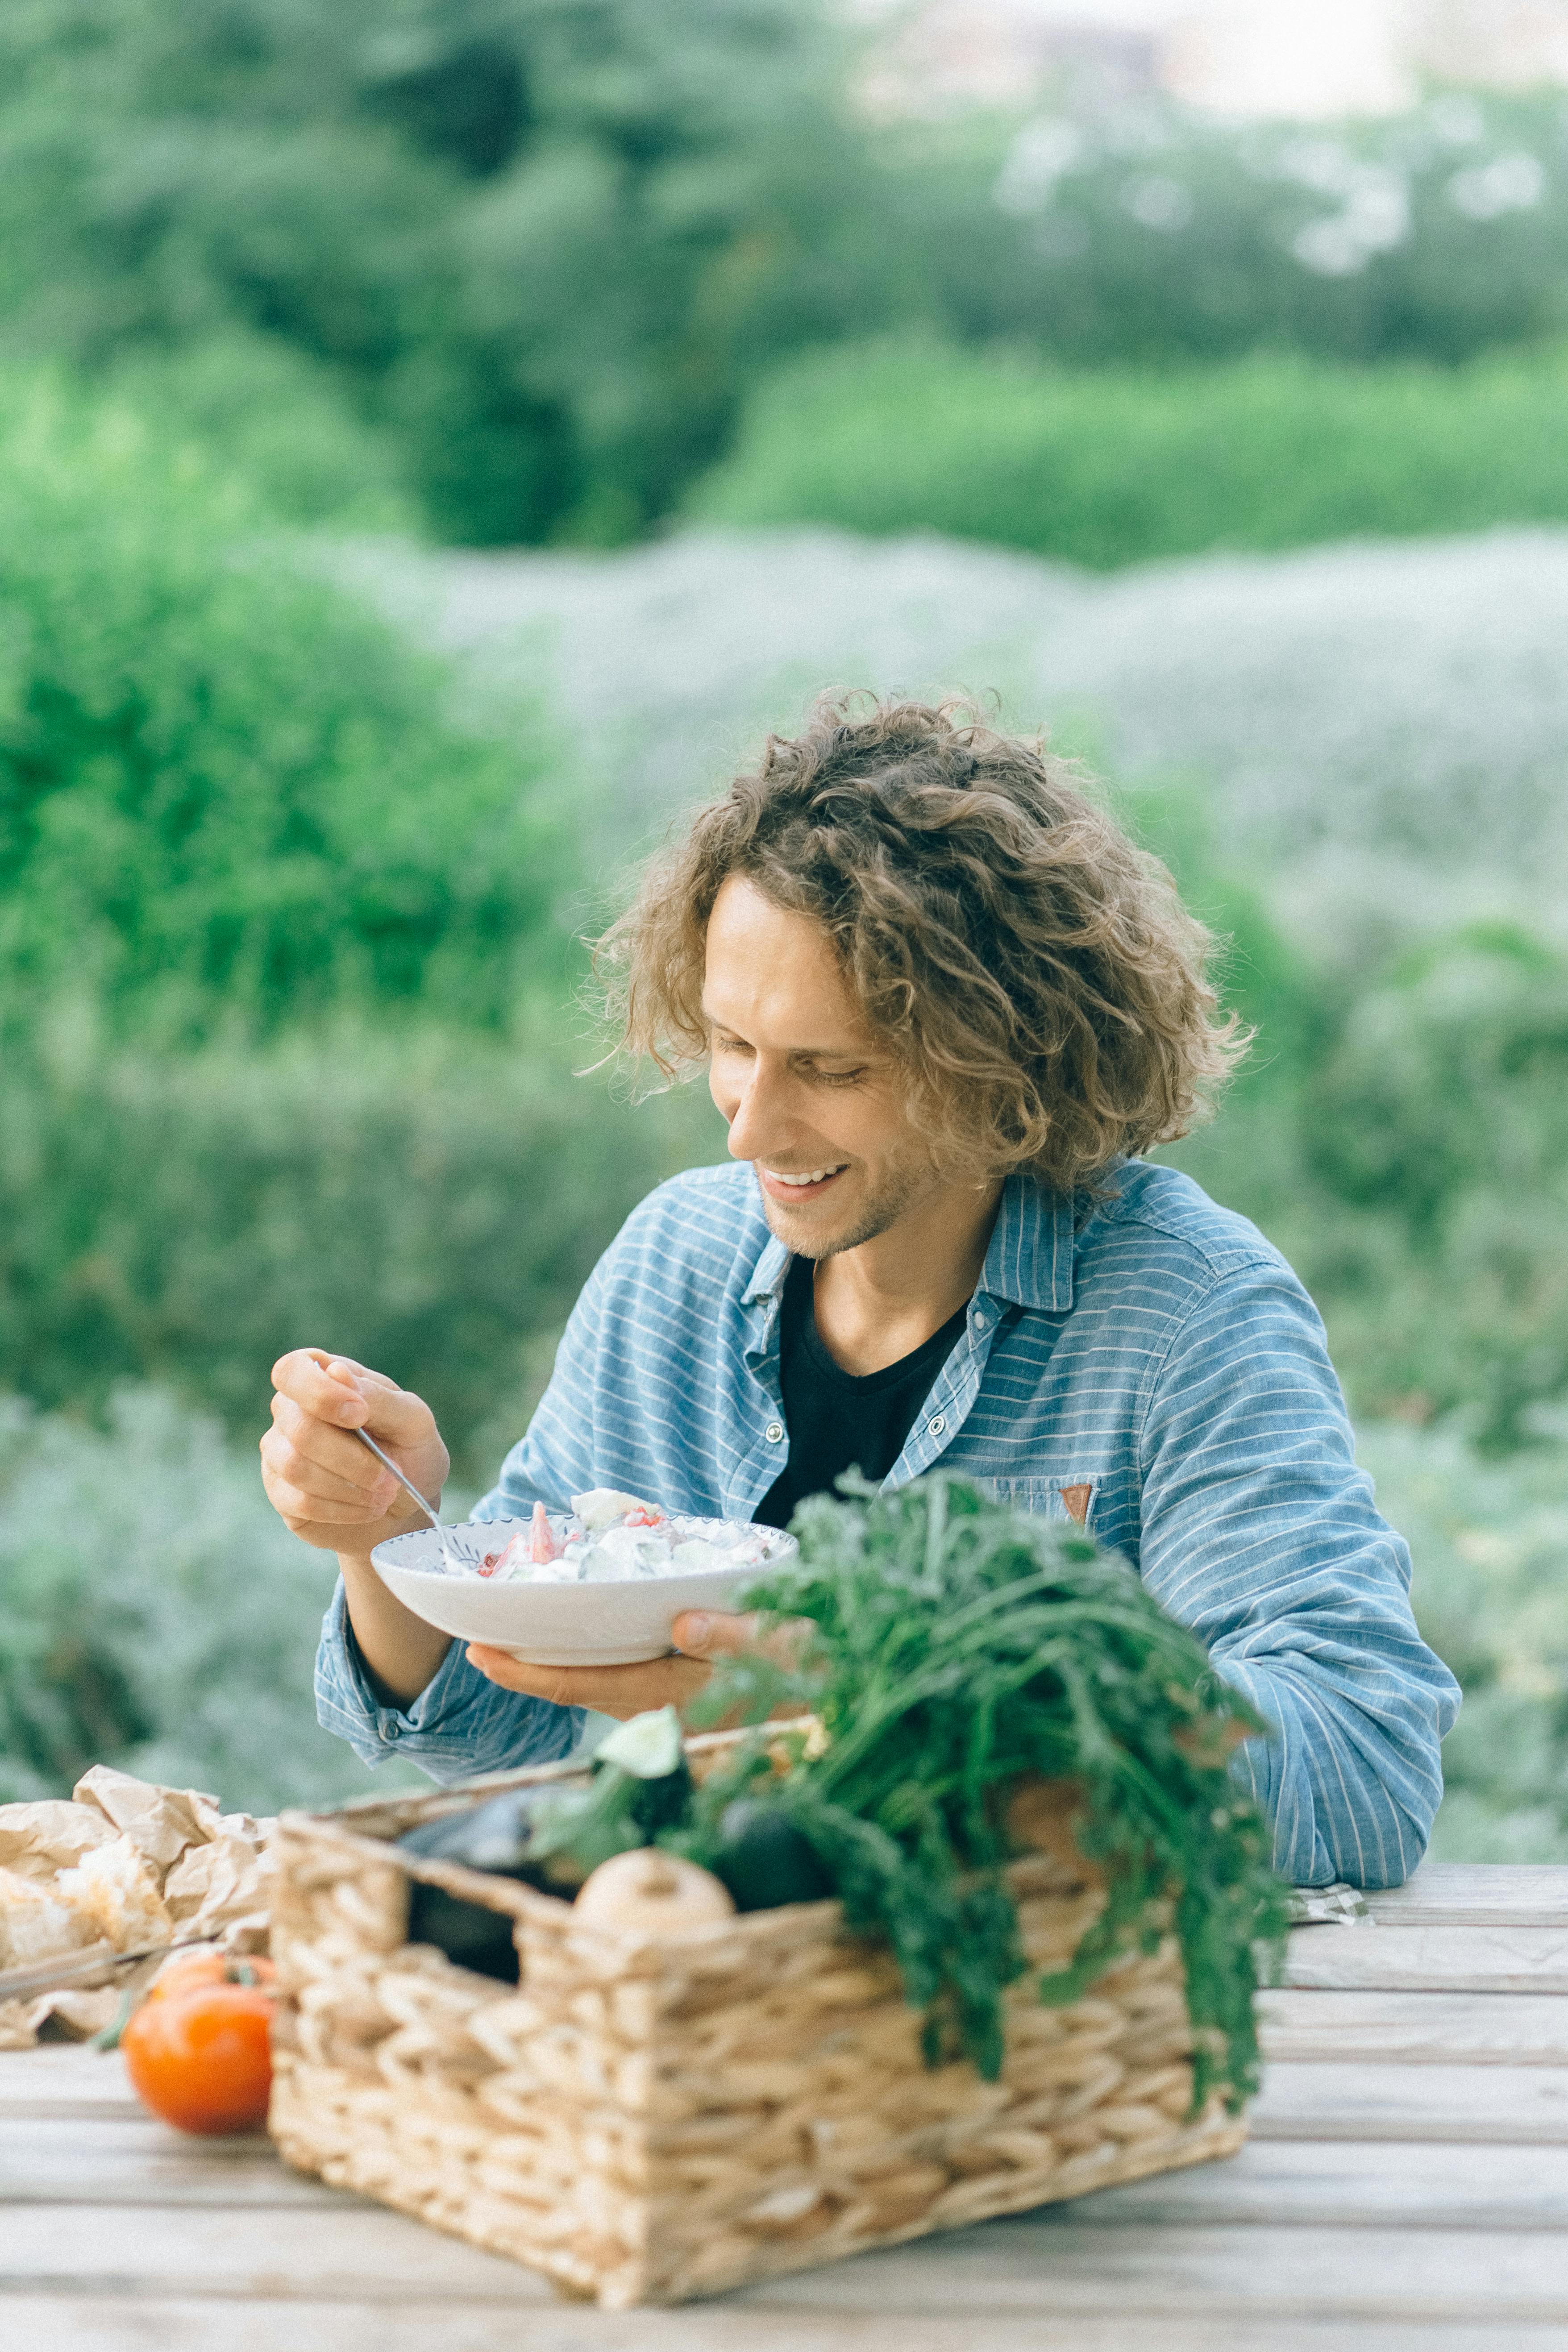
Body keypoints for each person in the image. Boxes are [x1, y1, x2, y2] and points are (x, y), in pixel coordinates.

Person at [262, 699, 1459, 1888]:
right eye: (732, 1046)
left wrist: (894, 1689)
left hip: (1032, 2021)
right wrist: (388, 1536)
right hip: (717, 1993)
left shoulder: (1186, 1308)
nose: (752, 1128)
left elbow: (1360, 1773)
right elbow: (494, 1722)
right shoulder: (672, 1261)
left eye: (830, 1070)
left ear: (1000, 1057)